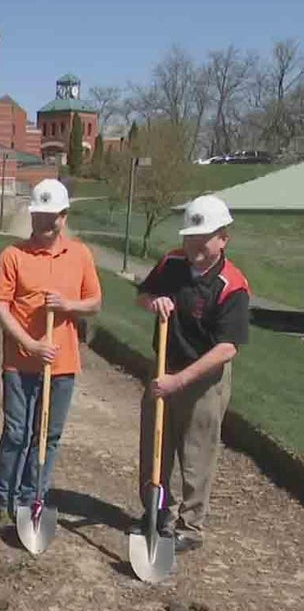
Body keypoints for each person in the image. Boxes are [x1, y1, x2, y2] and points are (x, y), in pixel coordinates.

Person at [135, 195, 249, 553]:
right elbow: (143, 295)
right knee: (154, 446)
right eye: (190, 238)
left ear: (223, 239)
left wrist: (179, 381)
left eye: (204, 239)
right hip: (164, 366)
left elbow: (227, 348)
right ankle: (157, 512)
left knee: (197, 452)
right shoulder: (171, 262)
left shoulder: (232, 285)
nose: (195, 246)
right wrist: (154, 301)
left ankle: (190, 525)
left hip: (204, 380)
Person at [0, 179, 102, 533]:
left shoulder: (80, 255)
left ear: (63, 217)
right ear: (32, 216)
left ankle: (32, 498)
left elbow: (95, 302)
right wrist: (30, 344)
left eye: (52, 217)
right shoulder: (13, 255)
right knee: (16, 433)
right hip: (20, 362)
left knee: (48, 436)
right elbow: (0, 307)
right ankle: (4, 500)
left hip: (62, 364)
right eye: (39, 216)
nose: (46, 223)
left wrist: (68, 305)